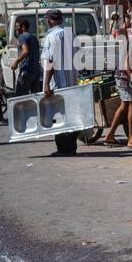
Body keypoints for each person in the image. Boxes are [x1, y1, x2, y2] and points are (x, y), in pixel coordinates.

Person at [40, 9, 80, 155]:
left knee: (58, 116)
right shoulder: (71, 34)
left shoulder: (51, 36)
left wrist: (46, 84)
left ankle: (63, 148)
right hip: (72, 83)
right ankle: (72, 147)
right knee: (71, 115)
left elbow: (50, 62)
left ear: (50, 20)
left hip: (58, 84)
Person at [103, 19, 132, 146]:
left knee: (125, 105)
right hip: (124, 77)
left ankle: (110, 135)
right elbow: (126, 66)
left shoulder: (122, 43)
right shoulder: (126, 43)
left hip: (122, 76)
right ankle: (130, 138)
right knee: (131, 105)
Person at [11, 18, 42, 95]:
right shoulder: (34, 38)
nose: (16, 29)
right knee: (36, 96)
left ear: (23, 27)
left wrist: (16, 62)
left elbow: (25, 51)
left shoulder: (22, 37)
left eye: (17, 26)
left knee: (20, 96)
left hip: (26, 71)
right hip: (36, 70)